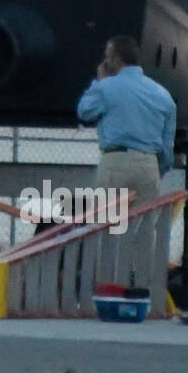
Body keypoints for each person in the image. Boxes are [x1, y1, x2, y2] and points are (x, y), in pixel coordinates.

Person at [76, 35, 177, 288]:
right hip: (149, 165)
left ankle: (108, 288)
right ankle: (145, 289)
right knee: (145, 232)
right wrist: (156, 169)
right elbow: (167, 146)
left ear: (114, 59)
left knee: (107, 229)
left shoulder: (107, 87)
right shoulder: (162, 94)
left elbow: (84, 111)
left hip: (116, 159)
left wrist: (98, 82)